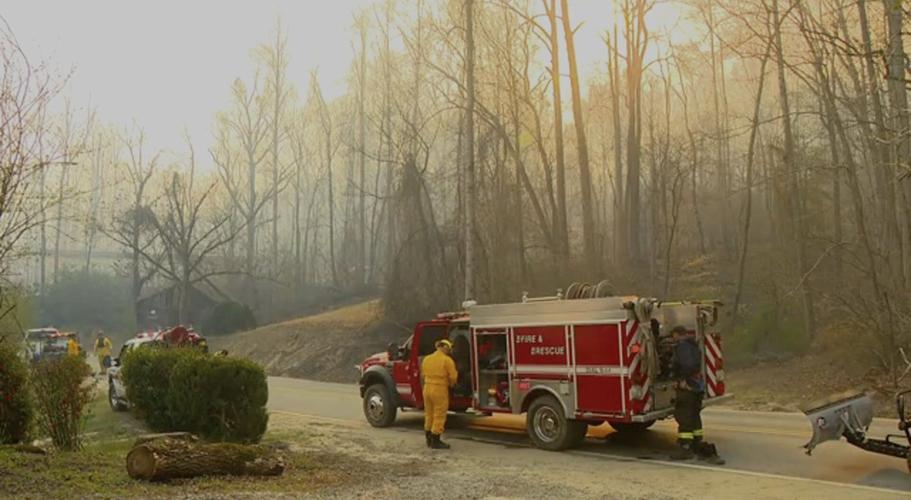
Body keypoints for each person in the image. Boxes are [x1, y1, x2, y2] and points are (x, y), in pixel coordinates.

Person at [670, 326, 724, 464]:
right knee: (694, 414)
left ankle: (685, 447)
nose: (673, 339)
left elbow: (687, 365)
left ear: (677, 335)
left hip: (689, 387)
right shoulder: (692, 345)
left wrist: (682, 380)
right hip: (697, 387)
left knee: (684, 415)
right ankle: (696, 442)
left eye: (673, 336)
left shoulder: (682, 347)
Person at [421, 338, 457, 450]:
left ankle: (428, 438)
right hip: (439, 389)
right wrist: (452, 385)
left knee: (429, 414)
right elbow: (453, 377)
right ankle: (436, 440)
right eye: (449, 349)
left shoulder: (427, 359)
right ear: (445, 347)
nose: (449, 351)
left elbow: (422, 375)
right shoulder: (447, 360)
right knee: (439, 414)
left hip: (427, 388)